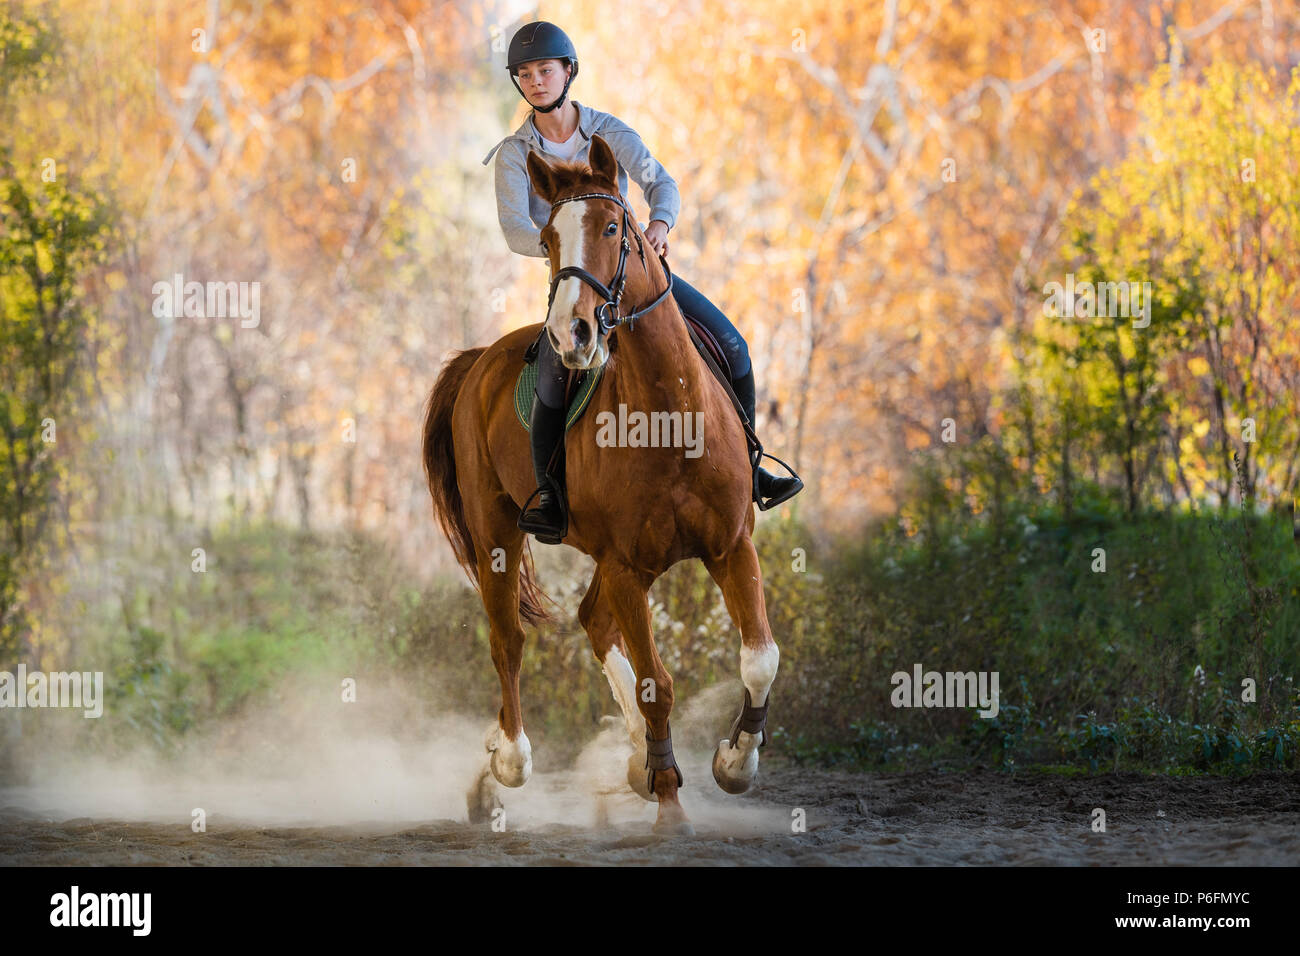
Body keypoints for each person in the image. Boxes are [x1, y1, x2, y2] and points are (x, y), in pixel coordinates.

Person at [482, 21, 802, 544]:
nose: (535, 81)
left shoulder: (610, 132)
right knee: (548, 383)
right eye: (524, 74)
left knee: (733, 347)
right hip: (575, 285)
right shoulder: (515, 155)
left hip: (637, 274)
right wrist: (565, 243)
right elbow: (515, 226)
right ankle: (549, 495)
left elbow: (660, 182)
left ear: (568, 72)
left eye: (544, 70)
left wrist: (660, 223)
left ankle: (752, 466)